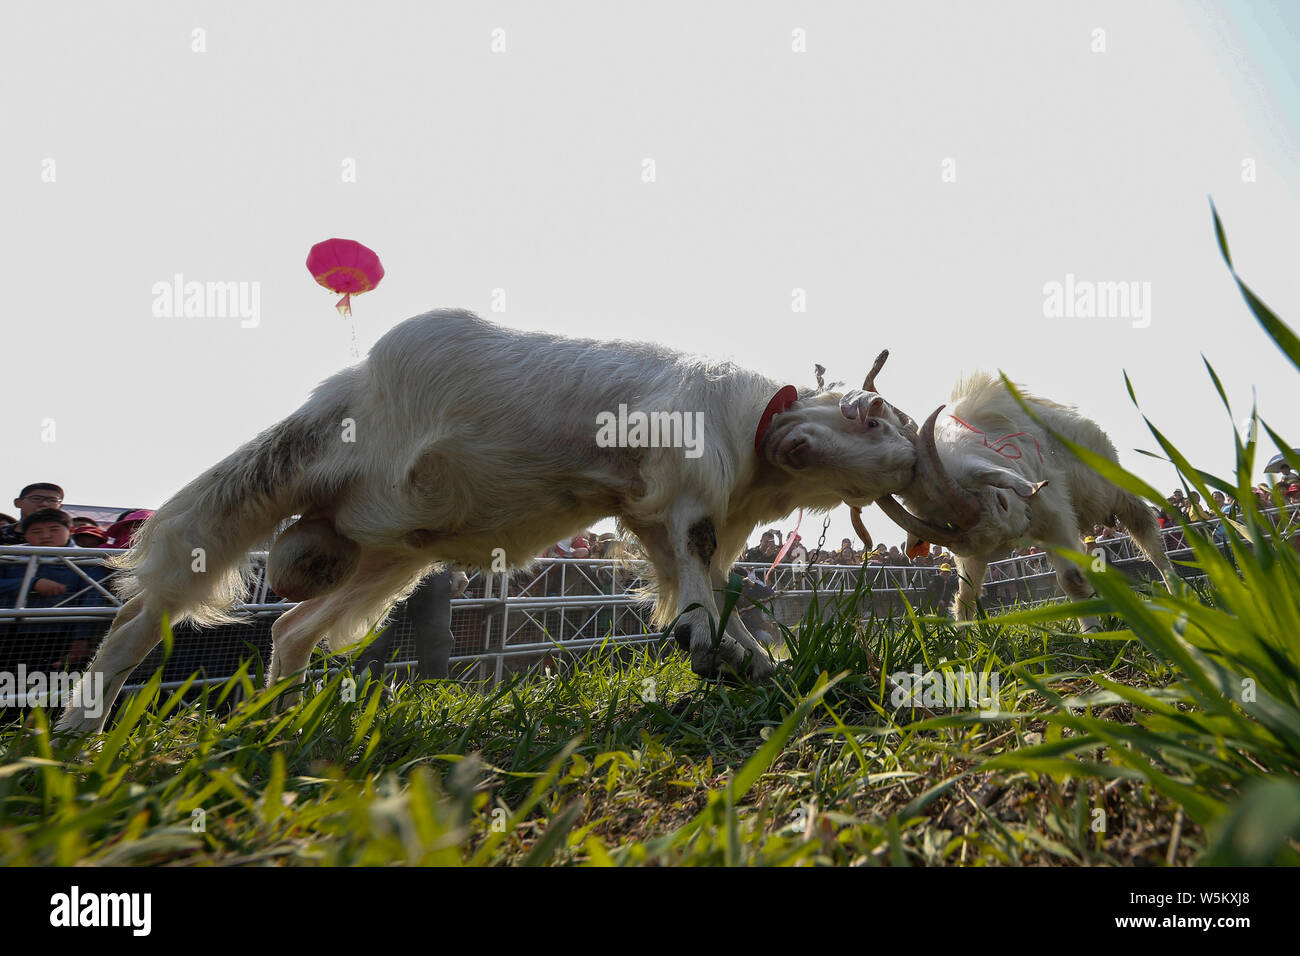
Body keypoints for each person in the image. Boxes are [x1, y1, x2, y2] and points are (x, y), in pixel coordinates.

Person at [1, 483, 66, 545]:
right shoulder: (2, 533)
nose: (44, 504)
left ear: (60, 506)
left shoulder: (68, 536)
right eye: (36, 498)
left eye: (52, 500)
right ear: (17, 503)